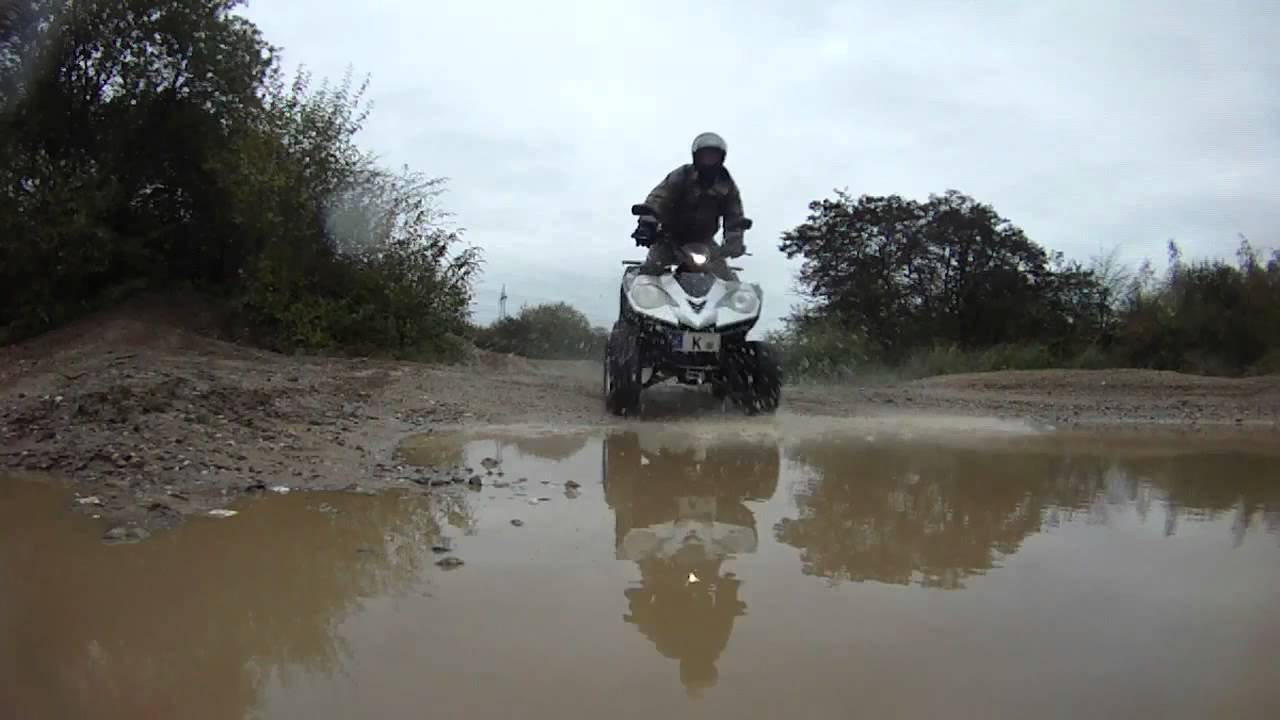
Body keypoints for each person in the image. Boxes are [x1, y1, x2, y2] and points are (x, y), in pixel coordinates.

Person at [633, 132, 747, 279]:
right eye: (705, 156)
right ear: (696, 157)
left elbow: (734, 215)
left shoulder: (726, 185)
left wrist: (734, 242)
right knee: (650, 271)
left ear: (721, 158)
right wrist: (647, 226)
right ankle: (638, 288)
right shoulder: (682, 175)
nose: (709, 160)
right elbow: (658, 198)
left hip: (704, 242)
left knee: (727, 280)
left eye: (713, 156)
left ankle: (733, 294)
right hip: (669, 238)